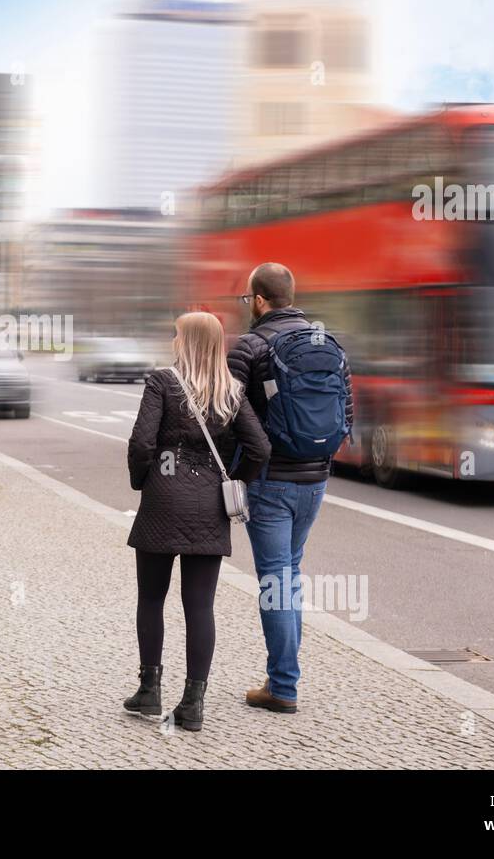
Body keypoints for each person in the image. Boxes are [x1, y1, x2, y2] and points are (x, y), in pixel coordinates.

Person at [124, 311, 270, 731]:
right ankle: (192, 704)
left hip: (162, 502)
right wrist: (235, 480)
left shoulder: (162, 382)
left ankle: (149, 692)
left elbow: (141, 443)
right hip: (209, 505)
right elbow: (260, 447)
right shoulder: (232, 390)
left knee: (151, 599)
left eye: (176, 334)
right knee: (200, 605)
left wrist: (143, 483)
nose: (172, 339)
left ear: (184, 341)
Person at [226, 262, 353, 713]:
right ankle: (281, 678)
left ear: (260, 300)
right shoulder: (329, 344)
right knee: (289, 576)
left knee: (276, 579)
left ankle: (283, 686)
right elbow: (346, 413)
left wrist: (236, 469)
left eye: (248, 299)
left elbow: (227, 414)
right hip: (315, 480)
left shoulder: (250, 345)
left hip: (270, 481)